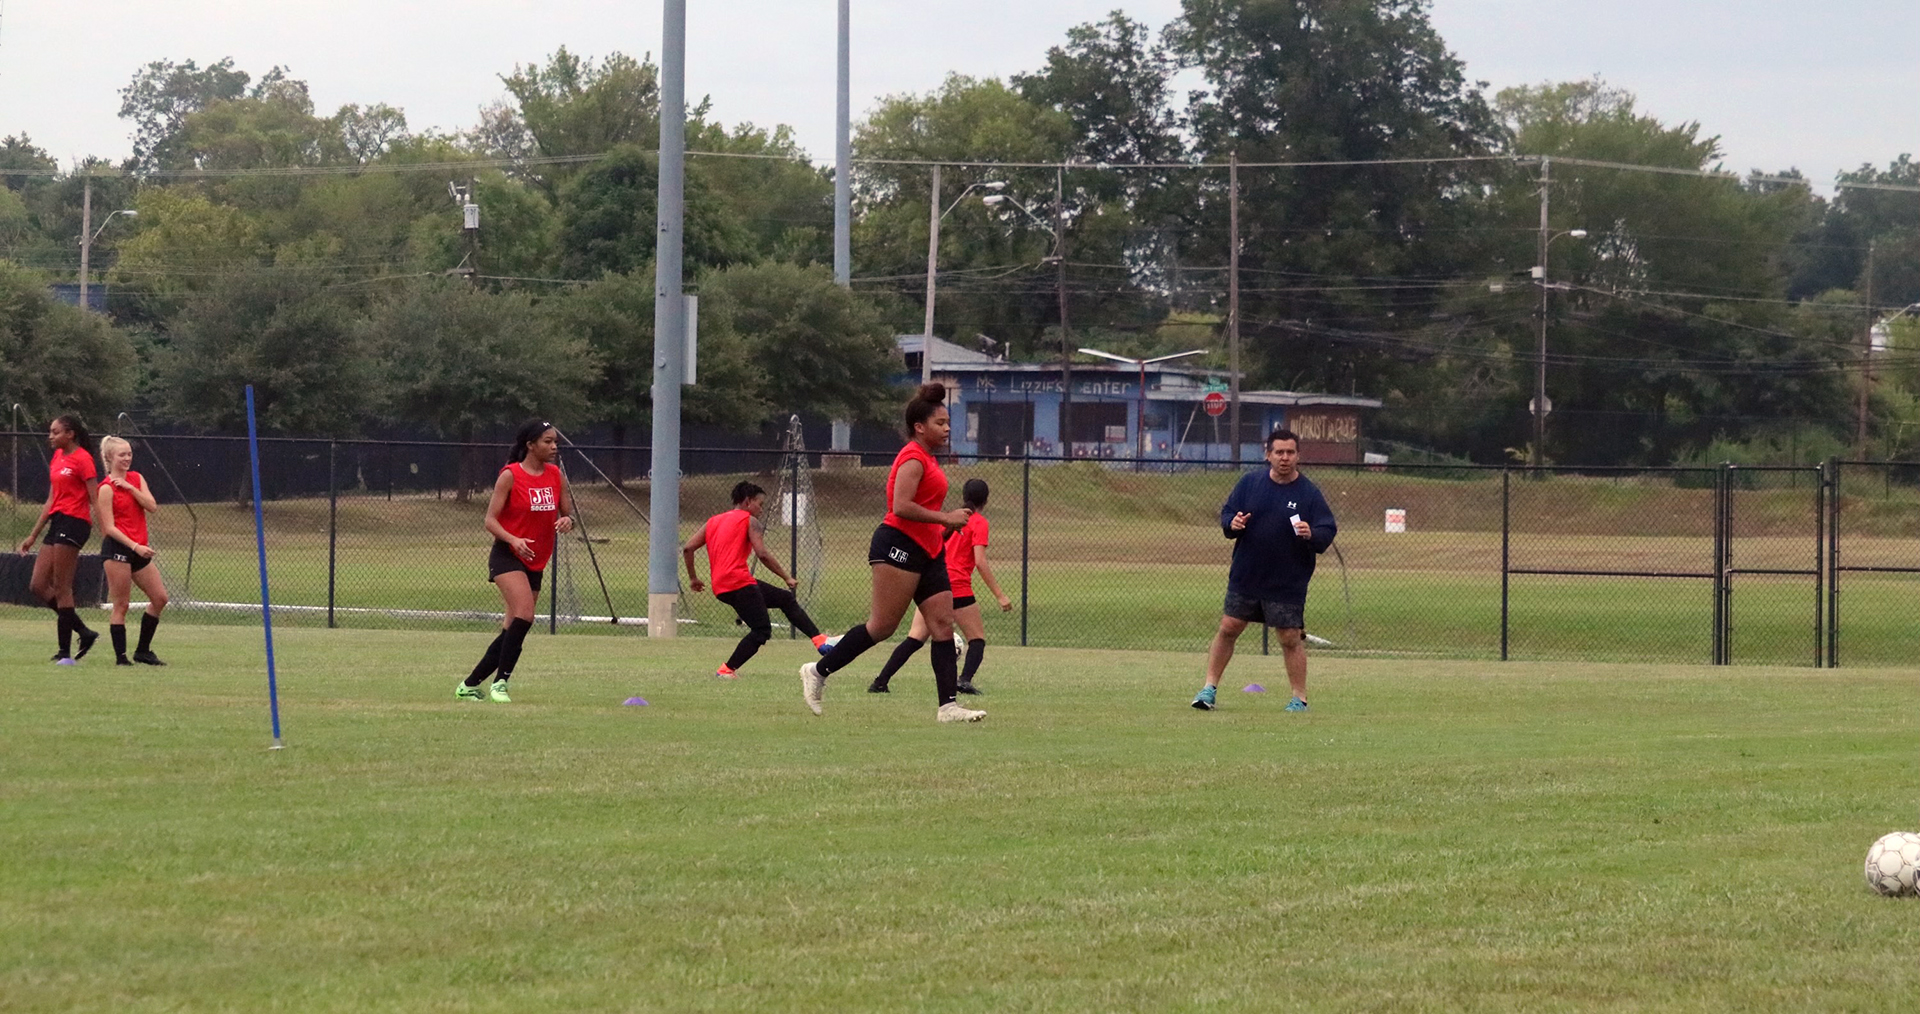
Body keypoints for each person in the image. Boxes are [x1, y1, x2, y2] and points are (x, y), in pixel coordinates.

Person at [800, 383, 984, 723]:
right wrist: (946, 517)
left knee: (942, 624)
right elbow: (900, 506)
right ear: (919, 426)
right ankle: (817, 671)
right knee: (882, 627)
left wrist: (944, 527)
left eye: (947, 423)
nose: (946, 429)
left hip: (929, 551)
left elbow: (923, 506)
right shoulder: (913, 457)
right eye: (940, 423)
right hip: (898, 545)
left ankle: (948, 707)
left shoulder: (928, 459)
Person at [1191, 427, 1337, 712]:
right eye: (1279, 452)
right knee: (1229, 627)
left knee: (1289, 637)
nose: (1285, 458)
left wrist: (1312, 533)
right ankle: (1208, 689)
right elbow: (1227, 513)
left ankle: (1299, 698)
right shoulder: (1250, 483)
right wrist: (1231, 523)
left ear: (1298, 456)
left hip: (1287, 580)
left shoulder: (1308, 493)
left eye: (1290, 452)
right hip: (1247, 574)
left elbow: (1327, 528)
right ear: (1267, 454)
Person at [457, 420, 574, 703]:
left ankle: (469, 685)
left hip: (537, 560)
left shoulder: (556, 475)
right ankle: (500, 684)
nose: (554, 446)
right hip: (507, 556)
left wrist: (566, 520)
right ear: (530, 445)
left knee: (514, 627)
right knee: (525, 615)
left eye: (555, 441)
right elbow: (490, 521)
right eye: (547, 441)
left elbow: (567, 513)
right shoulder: (510, 475)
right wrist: (513, 539)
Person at [866, 478, 1012, 695]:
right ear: (986, 500)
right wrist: (1000, 595)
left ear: (965, 495)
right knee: (977, 639)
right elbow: (980, 561)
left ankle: (880, 681)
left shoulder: (950, 517)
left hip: (934, 582)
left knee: (915, 639)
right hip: (957, 586)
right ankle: (963, 680)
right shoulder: (979, 522)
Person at [683, 480, 831, 678]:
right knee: (761, 630)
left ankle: (820, 640)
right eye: (760, 504)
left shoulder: (713, 521)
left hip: (721, 586)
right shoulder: (749, 521)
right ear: (747, 501)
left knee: (784, 599)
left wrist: (693, 579)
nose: (761, 510)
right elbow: (762, 554)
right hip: (740, 582)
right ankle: (726, 670)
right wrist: (786, 576)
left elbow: (687, 548)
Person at [17, 415, 102, 664]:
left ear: (70, 434)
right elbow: (51, 499)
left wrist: (106, 529)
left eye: (55, 432)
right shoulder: (58, 458)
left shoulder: (83, 459)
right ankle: (84, 632)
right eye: (50, 432)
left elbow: (95, 498)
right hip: (58, 522)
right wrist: (33, 534)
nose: (50, 436)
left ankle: (65, 653)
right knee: (38, 585)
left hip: (75, 523)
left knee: (62, 586)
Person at [93, 436, 170, 666]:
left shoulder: (136, 478)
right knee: (122, 604)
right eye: (121, 455)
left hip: (139, 549)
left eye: (129, 454)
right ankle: (121, 658)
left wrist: (130, 488)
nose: (127, 458)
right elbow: (108, 528)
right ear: (109, 457)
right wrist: (134, 546)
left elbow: (152, 506)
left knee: (160, 598)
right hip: (118, 549)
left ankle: (143, 651)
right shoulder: (105, 488)